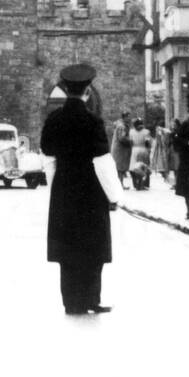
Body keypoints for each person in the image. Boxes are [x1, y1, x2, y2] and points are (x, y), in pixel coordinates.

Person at [41, 63, 120, 314]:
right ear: (87, 91)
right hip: (90, 191)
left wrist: (54, 188)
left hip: (64, 190)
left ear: (65, 90)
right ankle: (91, 299)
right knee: (92, 246)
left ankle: (71, 302)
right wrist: (114, 196)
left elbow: (48, 157)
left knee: (68, 249)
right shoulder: (93, 121)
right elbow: (103, 162)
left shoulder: (54, 120)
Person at [128, 118, 153, 190]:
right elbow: (147, 142)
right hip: (143, 149)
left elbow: (131, 142)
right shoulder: (146, 131)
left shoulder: (131, 131)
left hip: (134, 150)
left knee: (134, 167)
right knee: (144, 167)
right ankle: (144, 184)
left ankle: (136, 184)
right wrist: (149, 149)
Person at [111, 111, 133, 188]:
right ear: (124, 117)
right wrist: (130, 141)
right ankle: (120, 185)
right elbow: (122, 138)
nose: (130, 118)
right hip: (120, 150)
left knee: (120, 167)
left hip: (120, 149)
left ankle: (120, 184)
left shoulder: (122, 125)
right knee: (120, 168)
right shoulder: (122, 126)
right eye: (128, 117)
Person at [151, 120, 173, 186]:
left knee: (163, 163)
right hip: (162, 148)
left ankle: (166, 176)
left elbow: (162, 140)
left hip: (162, 148)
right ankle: (165, 176)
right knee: (163, 163)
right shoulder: (165, 131)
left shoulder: (162, 131)